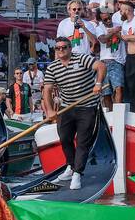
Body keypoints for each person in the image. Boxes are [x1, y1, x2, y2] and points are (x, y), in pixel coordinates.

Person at [43, 38, 105, 190]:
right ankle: (71, 167)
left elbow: (101, 66)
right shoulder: (53, 67)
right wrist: (50, 110)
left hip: (87, 106)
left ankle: (77, 173)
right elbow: (47, 90)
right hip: (66, 107)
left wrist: (98, 83)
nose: (61, 50)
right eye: (58, 48)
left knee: (83, 142)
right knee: (64, 138)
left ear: (70, 48)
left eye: (64, 47)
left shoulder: (82, 58)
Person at [89, 4, 126, 109]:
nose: (108, 21)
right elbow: (103, 40)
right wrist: (114, 31)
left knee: (118, 88)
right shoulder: (99, 28)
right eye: (105, 20)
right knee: (106, 91)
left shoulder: (119, 25)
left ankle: (118, 112)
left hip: (118, 61)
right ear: (100, 20)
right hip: (104, 62)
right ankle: (110, 113)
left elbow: (126, 39)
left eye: (109, 18)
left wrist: (115, 31)